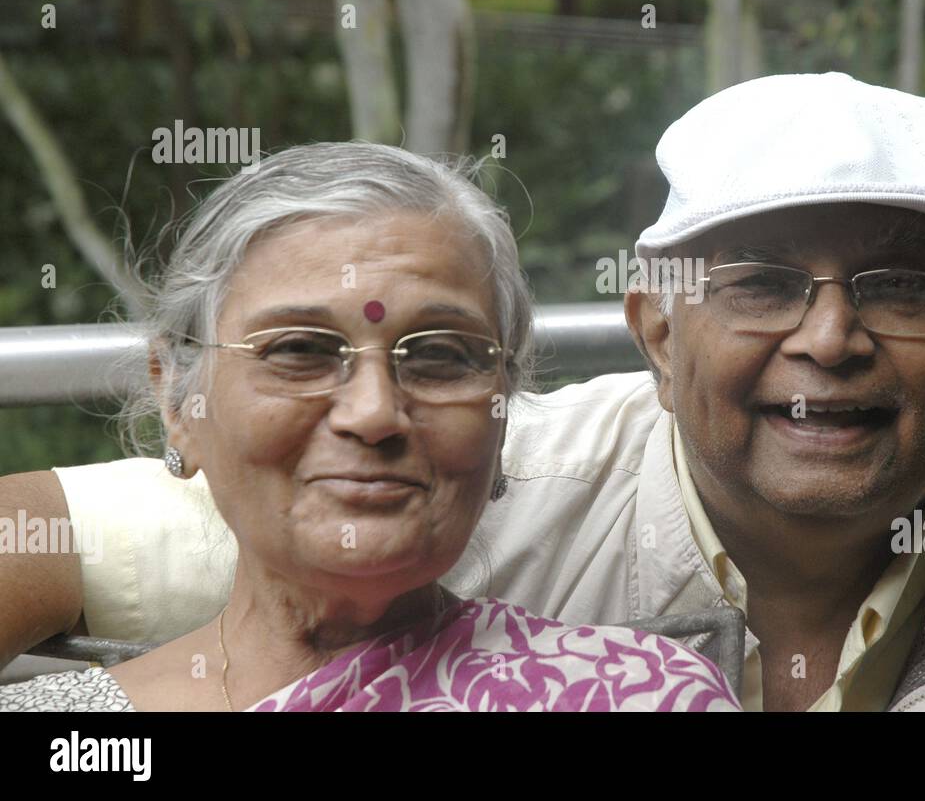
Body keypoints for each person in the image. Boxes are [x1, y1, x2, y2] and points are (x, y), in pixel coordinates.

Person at [1, 73, 925, 712]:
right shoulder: (440, 471)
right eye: (757, 283)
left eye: (903, 289)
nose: (831, 337)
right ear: (652, 324)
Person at [0, 143, 739, 712]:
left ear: (504, 405)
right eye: (298, 351)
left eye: (443, 357)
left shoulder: (634, 695)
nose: (375, 412)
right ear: (178, 401)